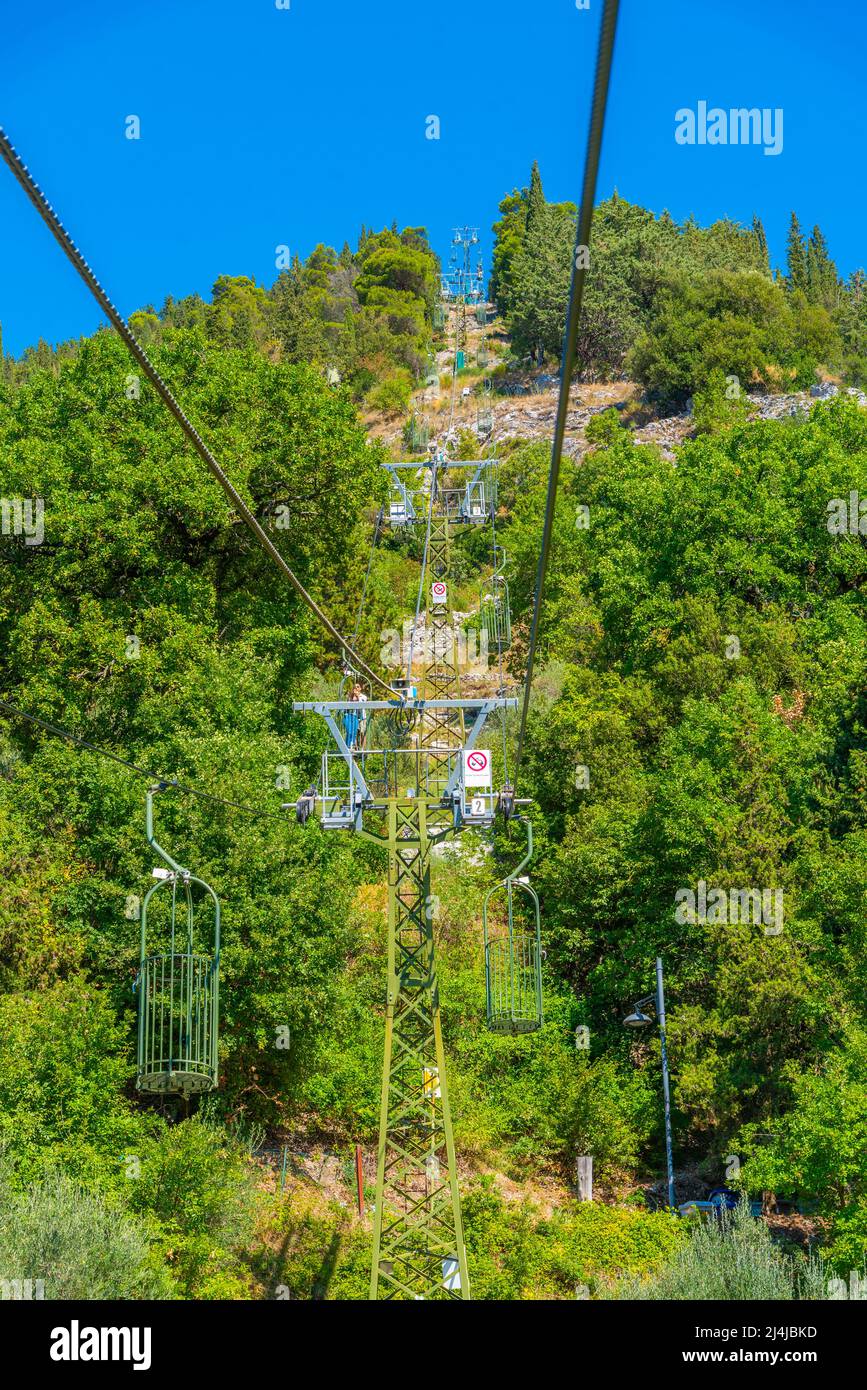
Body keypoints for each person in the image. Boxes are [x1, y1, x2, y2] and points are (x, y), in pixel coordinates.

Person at [343, 682, 367, 750]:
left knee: (362, 732)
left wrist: (357, 697)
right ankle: (355, 748)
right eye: (355, 687)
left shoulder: (363, 697)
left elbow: (362, 704)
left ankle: (362, 748)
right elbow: (347, 706)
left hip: (362, 717)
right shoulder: (350, 697)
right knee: (355, 732)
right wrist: (350, 697)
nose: (356, 688)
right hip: (354, 717)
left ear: (360, 689)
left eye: (358, 687)